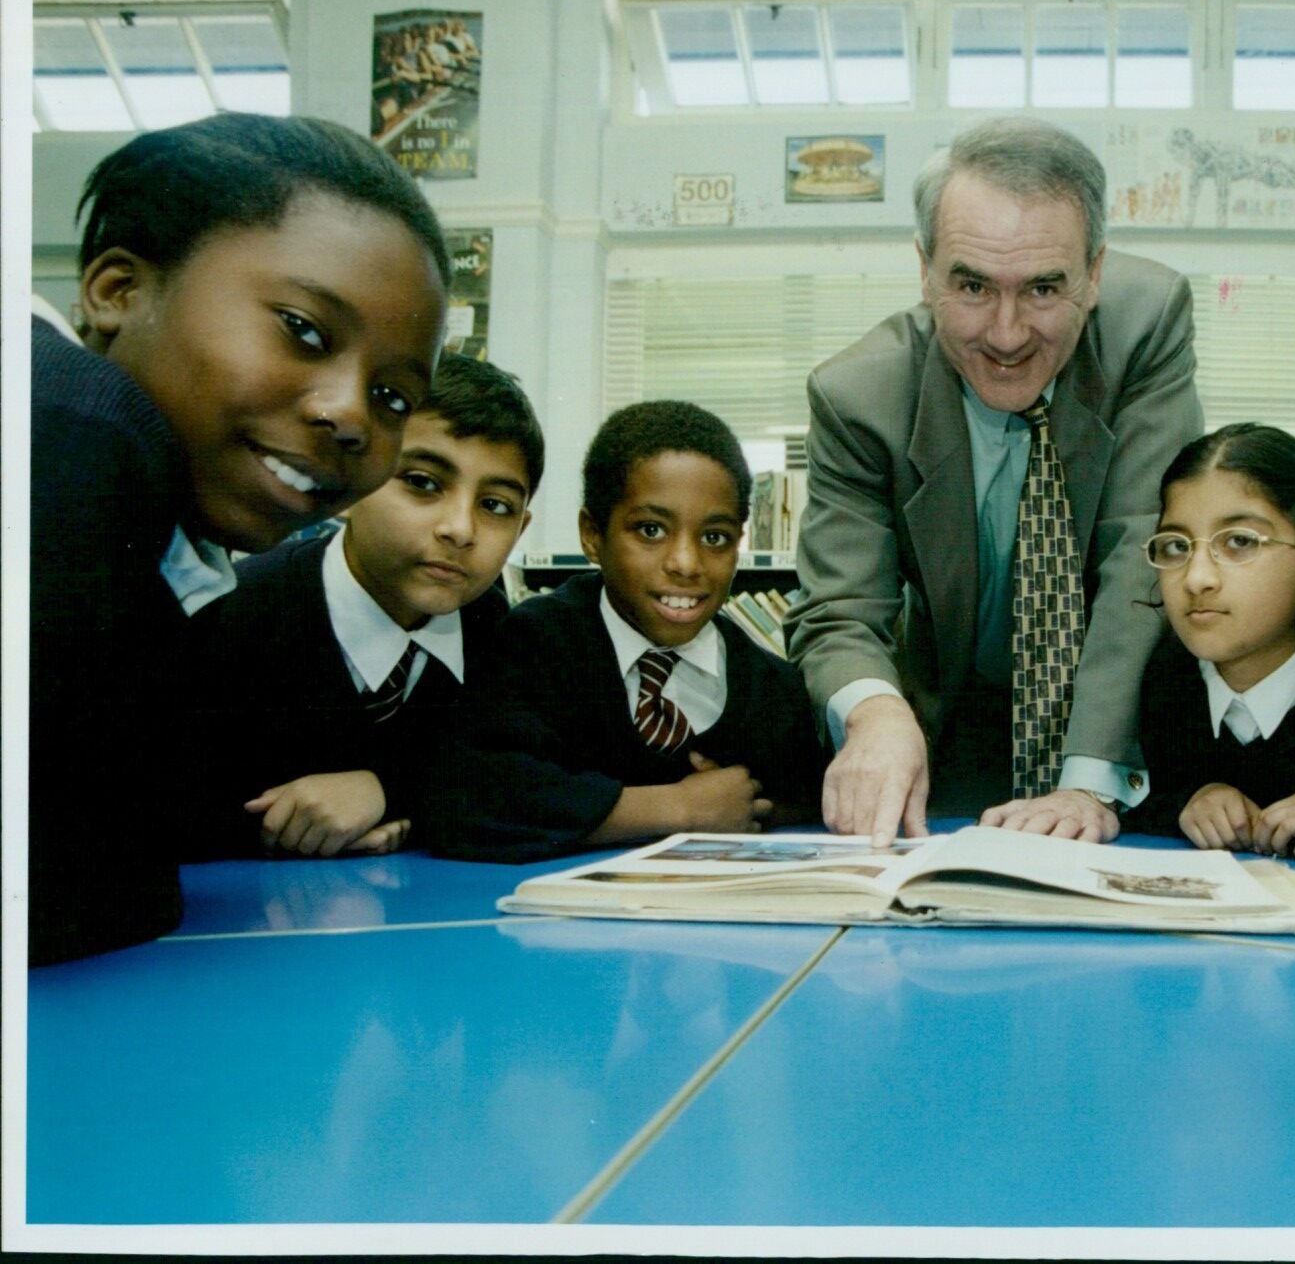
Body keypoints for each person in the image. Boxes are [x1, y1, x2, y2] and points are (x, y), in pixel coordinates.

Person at [30, 112, 450, 964]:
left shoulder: (169, 531)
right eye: (302, 330)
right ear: (117, 289)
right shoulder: (75, 430)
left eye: (394, 399)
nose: (348, 415)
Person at [788, 116, 1203, 847]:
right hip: (949, 713)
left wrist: (1086, 781)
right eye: (972, 286)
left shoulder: (1147, 325)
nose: (1007, 335)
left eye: (1044, 288)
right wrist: (877, 713)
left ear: (1096, 272)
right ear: (924, 270)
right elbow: (841, 607)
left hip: (1115, 706)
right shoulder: (857, 397)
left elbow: (1143, 549)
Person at [178, 354, 543, 860]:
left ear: (521, 530)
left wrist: (385, 790)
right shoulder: (223, 616)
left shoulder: (498, 632)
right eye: (422, 482)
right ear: (348, 487)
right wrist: (295, 831)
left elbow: (509, 769)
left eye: (496, 506)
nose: (461, 529)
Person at [427, 401, 824, 863]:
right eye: (650, 530)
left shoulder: (774, 689)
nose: (685, 563)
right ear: (592, 535)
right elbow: (472, 795)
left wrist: (756, 809)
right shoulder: (535, 642)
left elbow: (809, 800)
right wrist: (676, 809)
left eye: (714, 537)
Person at [1123, 424, 1295, 858]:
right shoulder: (1164, 678)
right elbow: (1138, 800)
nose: (1196, 578)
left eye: (1239, 541)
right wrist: (1190, 803)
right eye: (1177, 546)